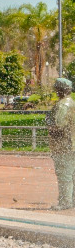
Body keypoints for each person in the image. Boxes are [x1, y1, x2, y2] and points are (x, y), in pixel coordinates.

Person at [47, 78, 75, 210]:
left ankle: (65, 202)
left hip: (64, 145)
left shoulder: (62, 105)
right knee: (72, 174)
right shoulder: (72, 103)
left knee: (64, 174)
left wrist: (49, 126)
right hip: (72, 143)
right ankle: (72, 200)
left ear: (59, 90)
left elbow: (58, 125)